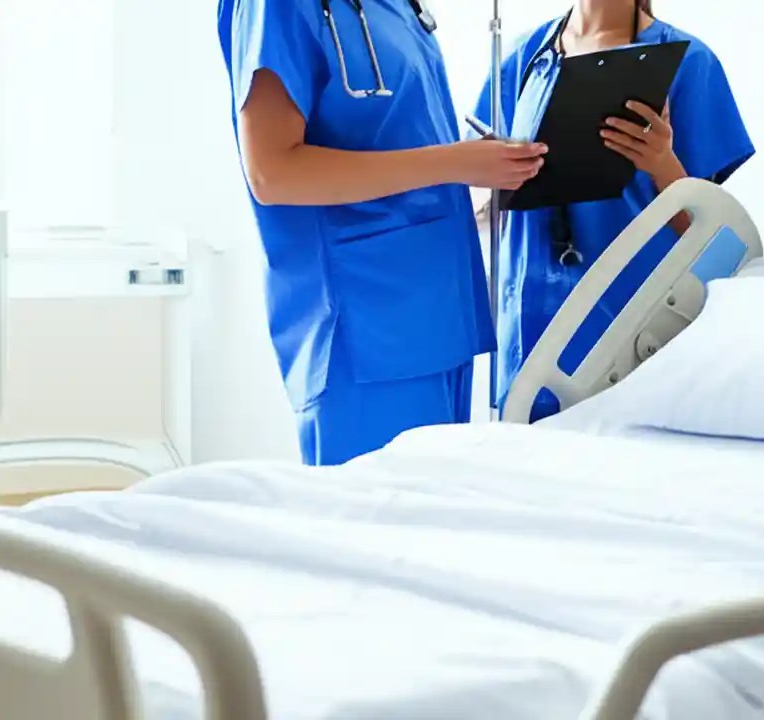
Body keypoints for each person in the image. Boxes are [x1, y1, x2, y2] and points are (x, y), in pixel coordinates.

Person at [217, 0, 548, 466]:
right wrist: (456, 161)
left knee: (432, 525)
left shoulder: (395, 7)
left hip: (438, 312)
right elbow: (273, 172)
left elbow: (395, 134)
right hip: (364, 323)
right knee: (370, 526)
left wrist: (477, 162)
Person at [472, 0, 755, 422]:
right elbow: (489, 189)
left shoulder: (689, 62)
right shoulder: (525, 56)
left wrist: (663, 163)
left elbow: (708, 237)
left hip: (629, 324)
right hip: (530, 323)